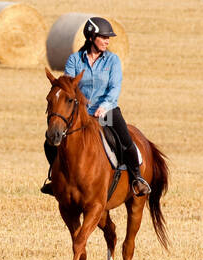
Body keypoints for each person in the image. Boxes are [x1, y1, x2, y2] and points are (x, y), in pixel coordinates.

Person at [41, 16, 150, 197]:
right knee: (49, 142)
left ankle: (137, 179)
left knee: (126, 141)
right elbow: (69, 85)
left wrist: (105, 106)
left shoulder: (113, 61)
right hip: (81, 113)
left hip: (107, 111)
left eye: (109, 38)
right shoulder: (75, 60)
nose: (107, 41)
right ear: (91, 37)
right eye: (103, 37)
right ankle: (56, 179)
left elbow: (115, 87)